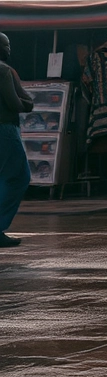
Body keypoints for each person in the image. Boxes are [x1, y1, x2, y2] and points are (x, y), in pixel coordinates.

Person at [0, 33, 34, 248]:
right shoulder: (4, 71)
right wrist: (26, 103)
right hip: (5, 130)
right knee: (18, 177)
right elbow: (16, 104)